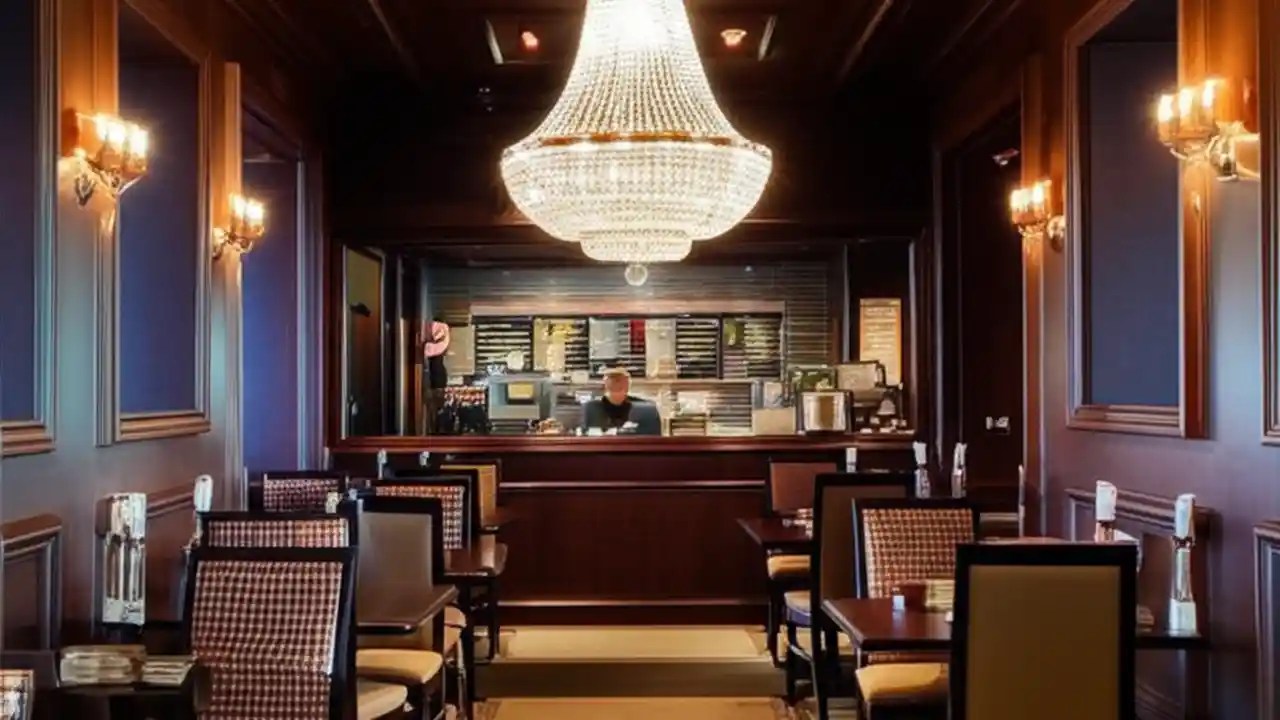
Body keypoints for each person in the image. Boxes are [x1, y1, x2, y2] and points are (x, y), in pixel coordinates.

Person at [580, 367, 661, 435]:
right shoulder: (591, 409)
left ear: (627, 385)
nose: (617, 383)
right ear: (605, 385)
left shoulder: (646, 409)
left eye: (620, 380)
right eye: (613, 380)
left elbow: (652, 437)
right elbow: (586, 434)